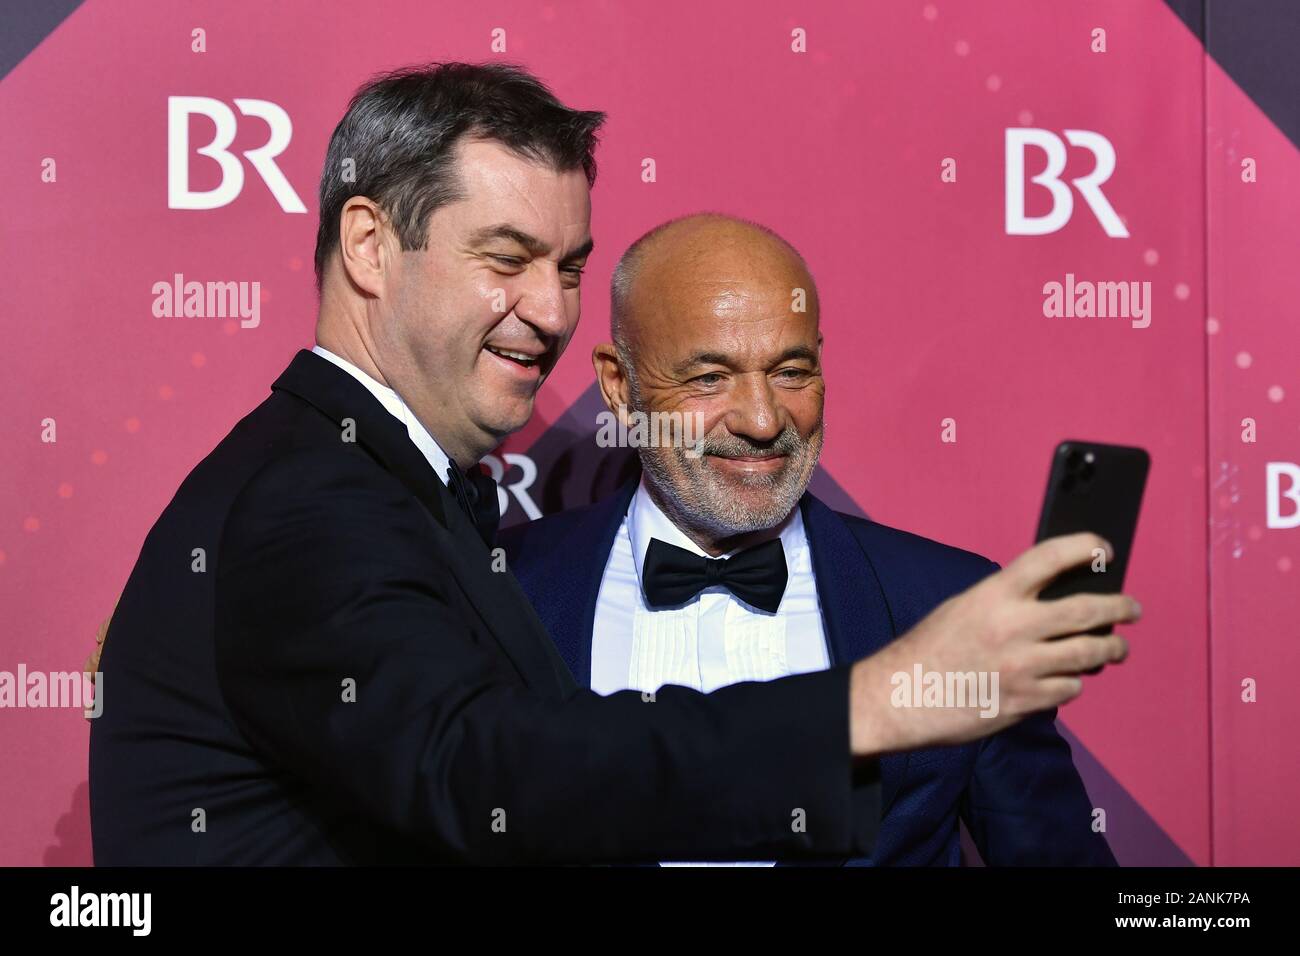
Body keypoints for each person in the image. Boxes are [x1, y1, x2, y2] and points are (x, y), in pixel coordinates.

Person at [87, 62, 1138, 865]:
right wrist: (873, 702)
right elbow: (484, 767)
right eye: (505, 259)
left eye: (568, 268)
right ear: (369, 245)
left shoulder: (371, 489)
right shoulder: (314, 495)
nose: (546, 310)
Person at [500, 213, 1118, 865]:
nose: (765, 421)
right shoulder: (505, 589)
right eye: (710, 378)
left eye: (792, 372)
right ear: (620, 386)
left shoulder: (948, 601)